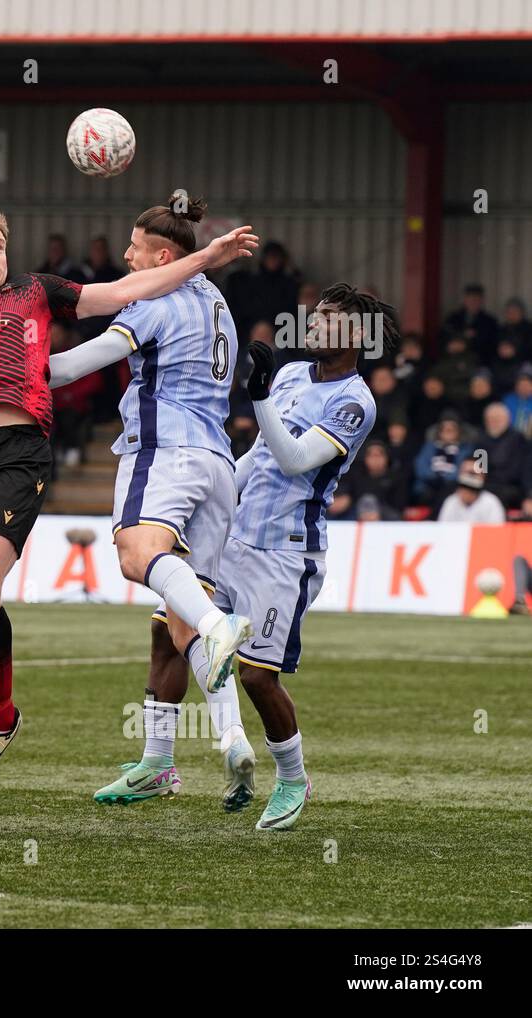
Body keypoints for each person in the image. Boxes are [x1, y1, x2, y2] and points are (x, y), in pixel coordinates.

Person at [0, 203, 257, 803]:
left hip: (19, 453)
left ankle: (2, 718)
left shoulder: (34, 292)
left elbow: (123, 291)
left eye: (0, 243)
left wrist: (207, 256)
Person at [48, 195, 258, 808]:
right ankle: (217, 743)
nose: (125, 258)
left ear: (163, 257)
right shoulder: (216, 302)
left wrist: (19, 368)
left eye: (135, 250)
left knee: (137, 556)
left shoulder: (156, 299)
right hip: (219, 462)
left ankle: (221, 629)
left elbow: (89, 361)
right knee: (176, 621)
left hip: (165, 449)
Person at [219, 283, 389, 829]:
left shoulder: (355, 403)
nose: (312, 328)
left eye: (327, 321)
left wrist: (260, 395)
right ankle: (159, 762)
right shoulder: (291, 375)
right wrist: (217, 496)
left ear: (357, 336)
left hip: (285, 555)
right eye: (313, 319)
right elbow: (260, 455)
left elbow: (294, 461)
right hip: (234, 539)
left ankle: (292, 777)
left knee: (256, 677)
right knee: (170, 631)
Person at [443, 284, 500, 365]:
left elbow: (492, 345)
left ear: (482, 301)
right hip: (453, 362)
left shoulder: (490, 321)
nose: (473, 302)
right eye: (470, 299)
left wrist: (473, 340)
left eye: (476, 299)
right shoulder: (453, 319)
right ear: (464, 300)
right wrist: (457, 340)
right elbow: (444, 338)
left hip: (479, 363)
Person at [437, 458, 506, 524]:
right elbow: (442, 532)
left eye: (472, 474)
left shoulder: (491, 503)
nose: (467, 478)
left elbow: (497, 533)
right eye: (464, 473)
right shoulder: (451, 501)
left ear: (483, 476)